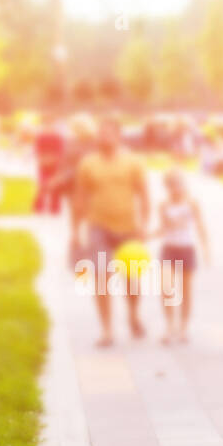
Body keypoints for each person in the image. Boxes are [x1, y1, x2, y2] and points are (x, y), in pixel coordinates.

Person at [74, 116, 150, 346]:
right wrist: (75, 230)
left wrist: (144, 226)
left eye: (108, 133)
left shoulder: (133, 162)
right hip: (99, 228)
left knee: (131, 280)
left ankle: (133, 315)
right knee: (100, 278)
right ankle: (107, 329)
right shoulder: (88, 163)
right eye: (100, 133)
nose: (103, 137)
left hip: (128, 229)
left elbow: (144, 195)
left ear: (118, 135)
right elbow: (80, 197)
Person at [154, 169, 209, 345]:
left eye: (179, 184)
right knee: (167, 288)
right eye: (172, 185)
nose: (176, 188)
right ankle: (169, 325)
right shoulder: (163, 205)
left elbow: (200, 226)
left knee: (186, 291)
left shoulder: (192, 203)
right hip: (169, 249)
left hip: (186, 249)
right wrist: (146, 236)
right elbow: (162, 228)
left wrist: (206, 249)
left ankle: (184, 326)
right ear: (167, 187)